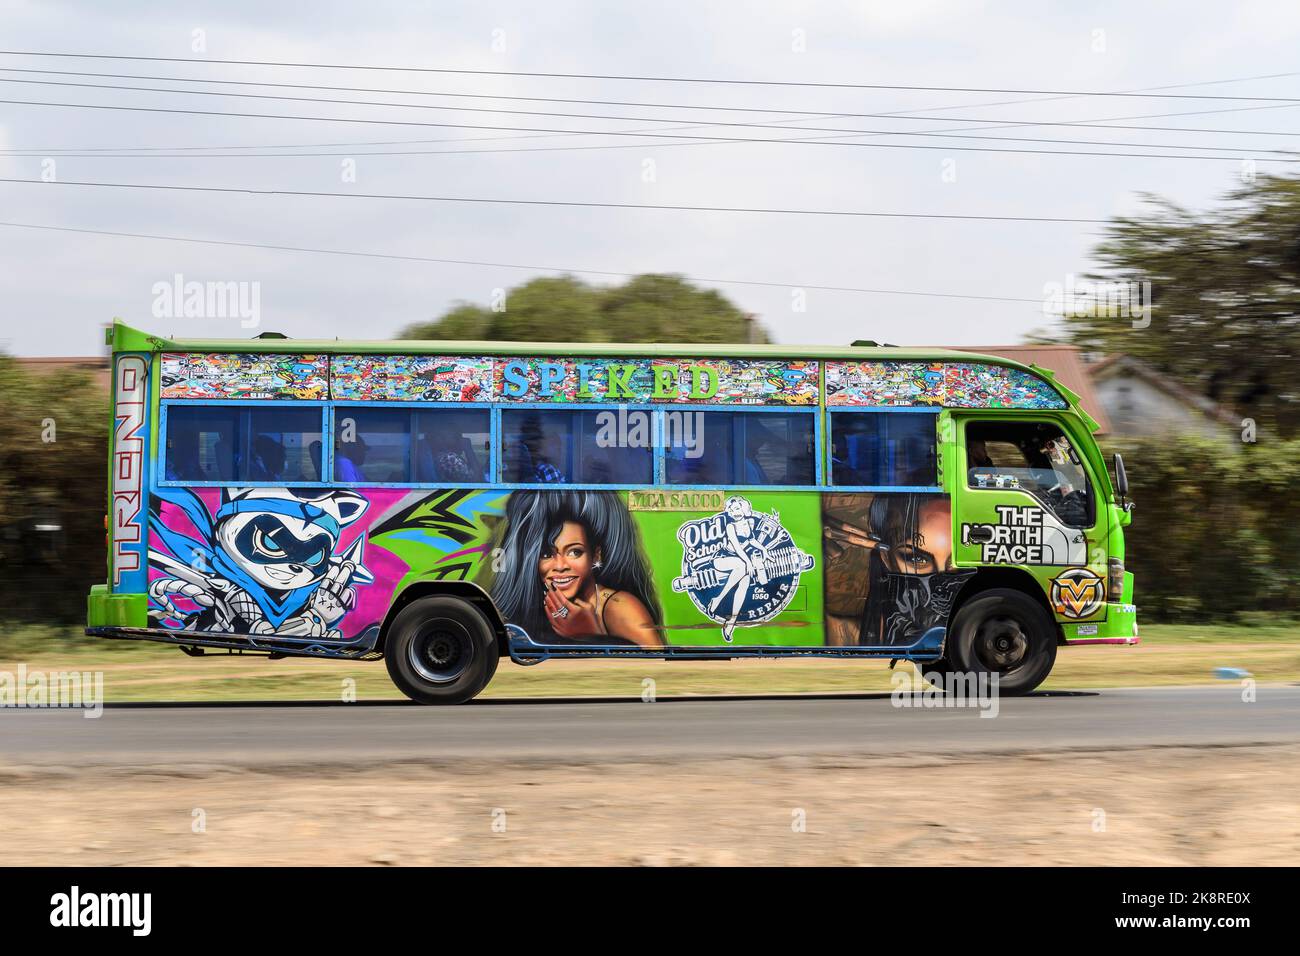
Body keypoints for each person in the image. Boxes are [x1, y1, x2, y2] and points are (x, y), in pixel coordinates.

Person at [491, 491, 662, 647]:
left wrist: (590, 635)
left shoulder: (619, 606)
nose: (560, 566)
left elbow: (653, 664)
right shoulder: (538, 606)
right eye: (546, 555)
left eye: (574, 552)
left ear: (595, 555)